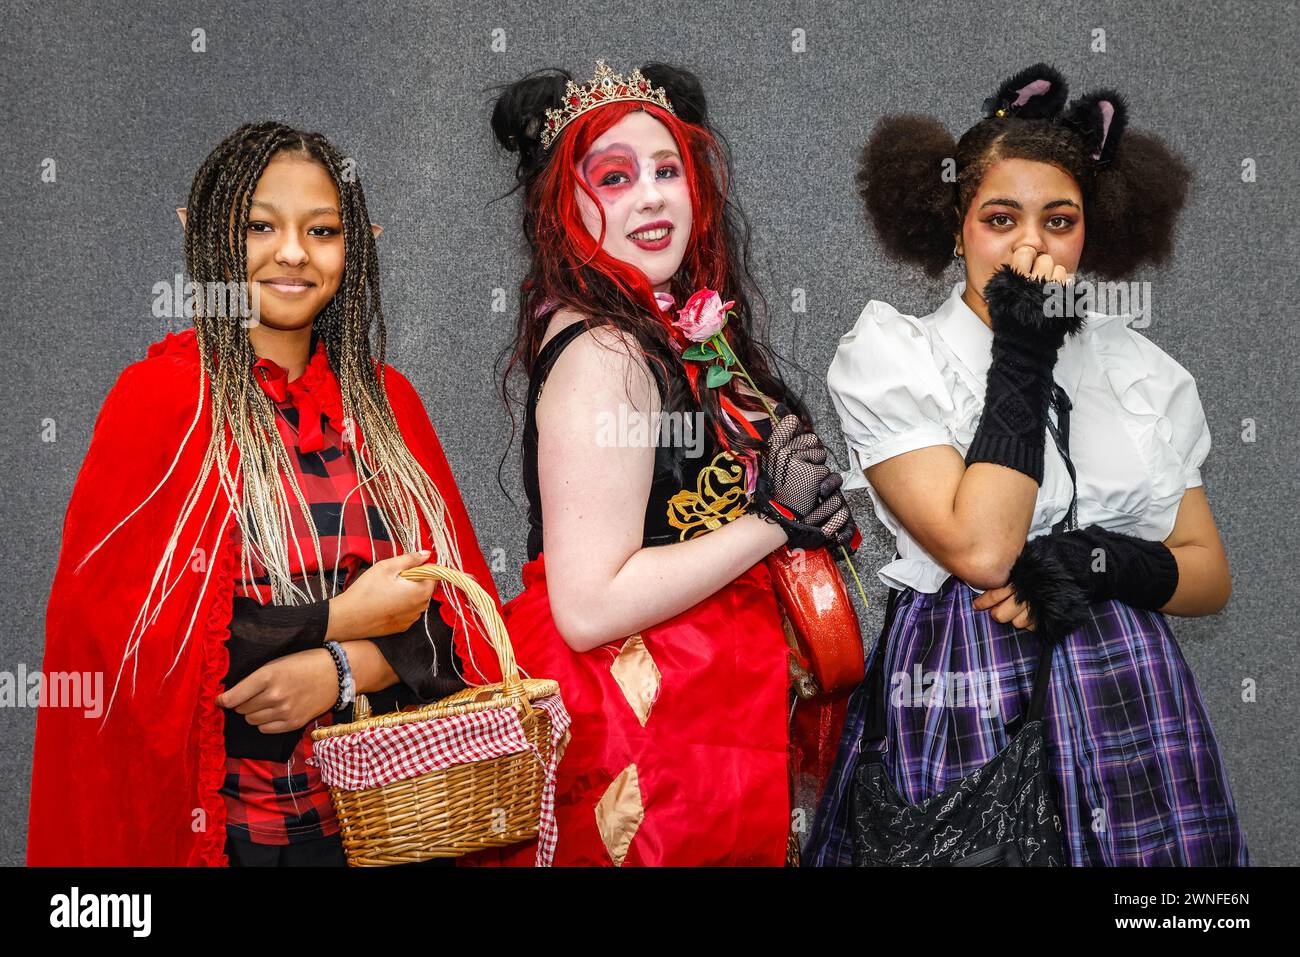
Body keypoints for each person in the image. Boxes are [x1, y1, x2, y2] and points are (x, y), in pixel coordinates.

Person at [807, 64, 1248, 866]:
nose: (1030, 244)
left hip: (1127, 684)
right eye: (1001, 217)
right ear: (958, 224)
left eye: (1060, 220)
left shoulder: (1142, 370)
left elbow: (1209, 571)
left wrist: (1101, 561)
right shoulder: (891, 355)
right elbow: (981, 549)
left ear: (1090, 229)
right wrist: (1023, 345)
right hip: (962, 680)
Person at [27, 122, 502, 866]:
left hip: (397, 835)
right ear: (212, 238)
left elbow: (470, 626)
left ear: (355, 247)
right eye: (259, 226)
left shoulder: (389, 404)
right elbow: (145, 653)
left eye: (321, 230)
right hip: (241, 837)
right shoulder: (161, 401)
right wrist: (346, 616)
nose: (291, 252)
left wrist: (349, 666)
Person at [479, 61, 859, 866]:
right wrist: (772, 521)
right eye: (615, 177)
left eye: (667, 171)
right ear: (567, 205)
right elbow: (587, 605)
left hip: (704, 707)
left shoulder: (669, 327)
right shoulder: (606, 352)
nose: (652, 196)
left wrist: (800, 504)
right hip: (636, 729)